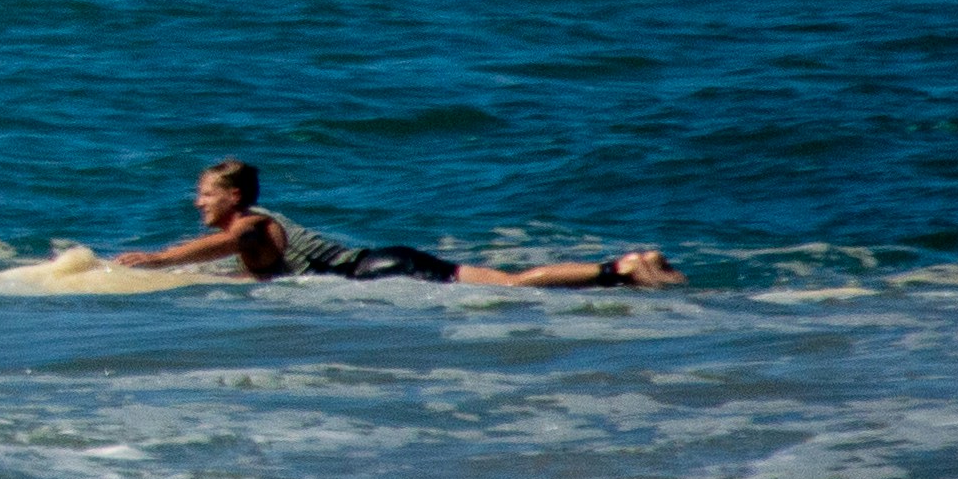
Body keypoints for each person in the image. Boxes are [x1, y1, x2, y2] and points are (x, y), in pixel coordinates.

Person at [107, 159, 677, 291]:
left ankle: (620, 268)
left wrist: (158, 261)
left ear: (232, 197)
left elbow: (231, 242)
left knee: (511, 285)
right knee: (509, 280)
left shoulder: (252, 224)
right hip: (382, 262)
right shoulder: (254, 226)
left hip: (381, 270)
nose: (197, 201)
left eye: (206, 194)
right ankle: (620, 268)